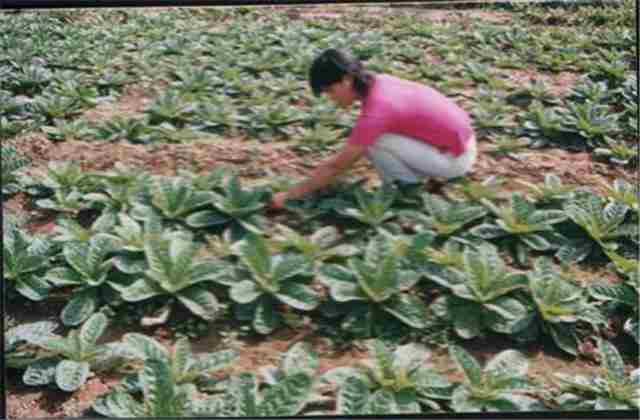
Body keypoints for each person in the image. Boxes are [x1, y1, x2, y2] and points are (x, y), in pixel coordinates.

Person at [270, 48, 477, 209]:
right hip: (463, 144)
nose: (330, 98)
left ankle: (407, 188)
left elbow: (337, 166)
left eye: (330, 91)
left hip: (455, 159)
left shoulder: (378, 111)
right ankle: (415, 179)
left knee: (373, 141)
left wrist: (290, 195)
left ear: (347, 80)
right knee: (372, 137)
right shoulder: (381, 82)